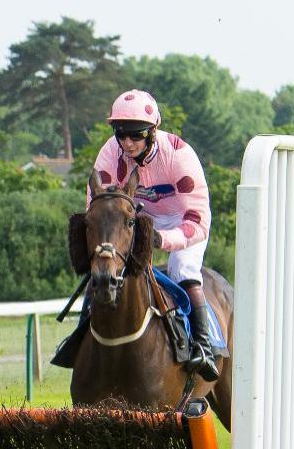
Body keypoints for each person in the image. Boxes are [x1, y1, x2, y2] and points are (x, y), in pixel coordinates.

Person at [56, 89, 220, 382]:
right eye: (121, 134)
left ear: (153, 131)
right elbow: (99, 205)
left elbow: (198, 220)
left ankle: (203, 346)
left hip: (184, 221)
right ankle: (81, 337)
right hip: (135, 216)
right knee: (104, 267)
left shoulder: (180, 156)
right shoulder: (110, 152)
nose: (128, 143)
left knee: (182, 267)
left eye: (137, 135)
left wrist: (161, 239)